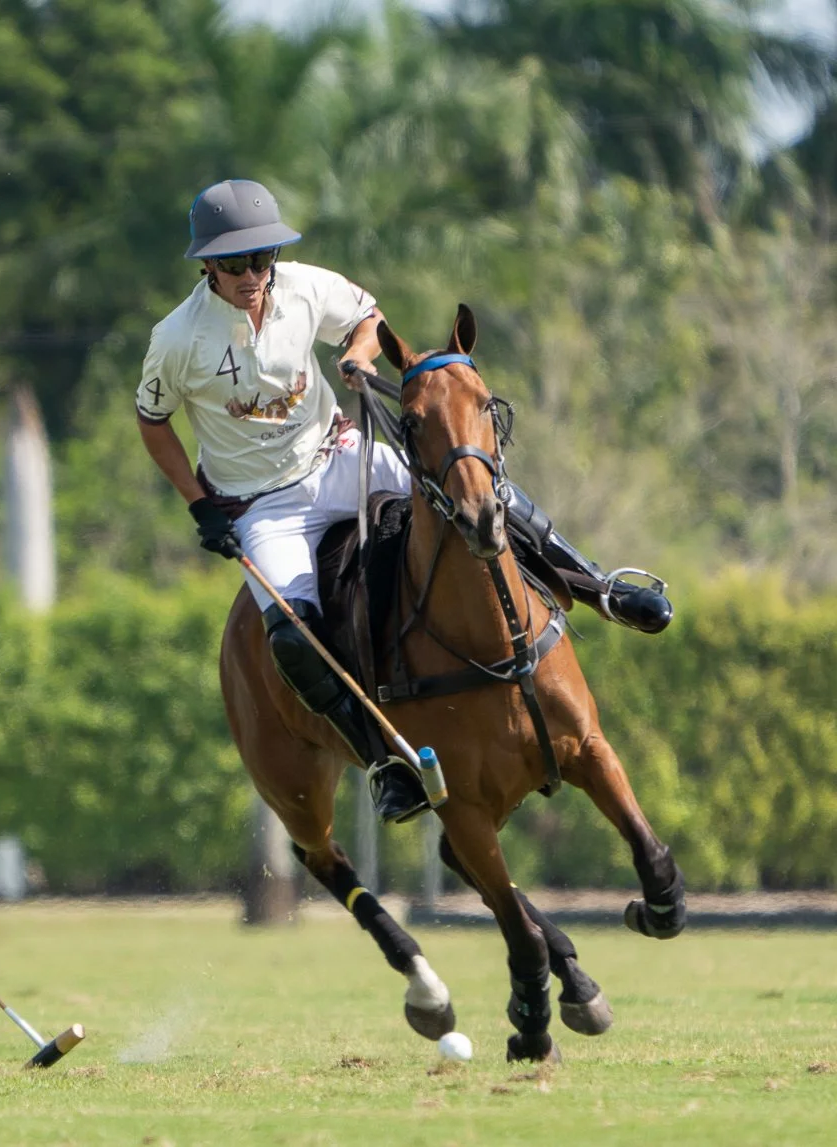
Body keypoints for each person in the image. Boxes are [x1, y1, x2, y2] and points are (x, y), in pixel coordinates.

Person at [135, 179, 672, 823]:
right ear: (207, 264)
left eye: (261, 258)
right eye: (234, 262)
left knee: (471, 487)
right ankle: (387, 763)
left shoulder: (304, 286)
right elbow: (152, 420)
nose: (252, 274)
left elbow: (368, 318)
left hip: (338, 457)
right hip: (262, 505)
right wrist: (199, 503)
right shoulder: (176, 339)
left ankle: (600, 588)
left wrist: (359, 357)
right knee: (292, 637)